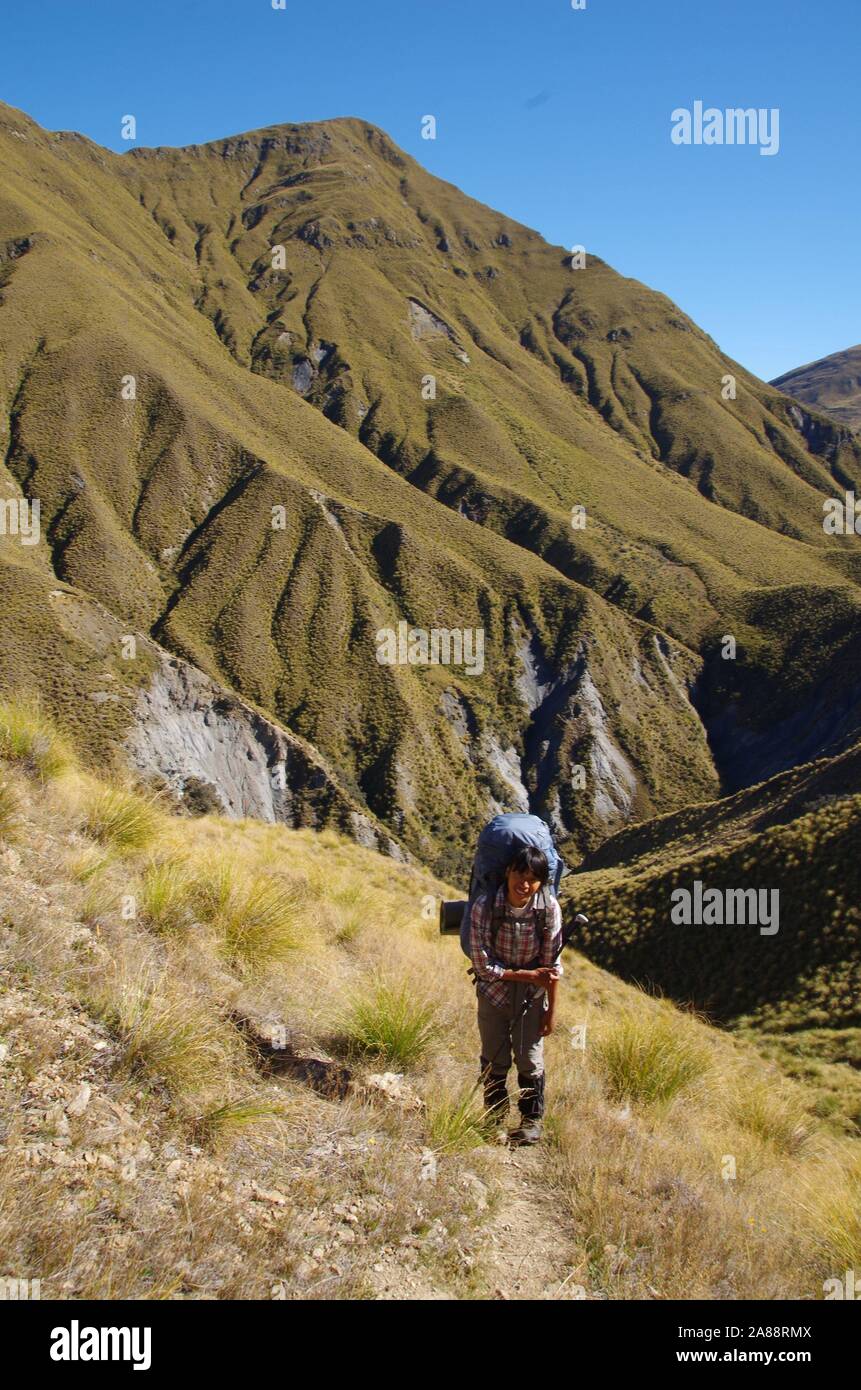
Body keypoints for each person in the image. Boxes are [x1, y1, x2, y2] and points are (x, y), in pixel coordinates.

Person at [466, 845, 562, 1145]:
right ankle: (493, 1117)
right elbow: (481, 964)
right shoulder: (486, 906)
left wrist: (550, 1011)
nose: (525, 884)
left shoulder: (548, 910)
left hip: (532, 997)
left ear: (541, 882)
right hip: (493, 991)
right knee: (494, 1056)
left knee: (530, 1059)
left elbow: (552, 966)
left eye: (534, 879)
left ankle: (531, 1121)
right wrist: (525, 975)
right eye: (520, 874)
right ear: (508, 872)